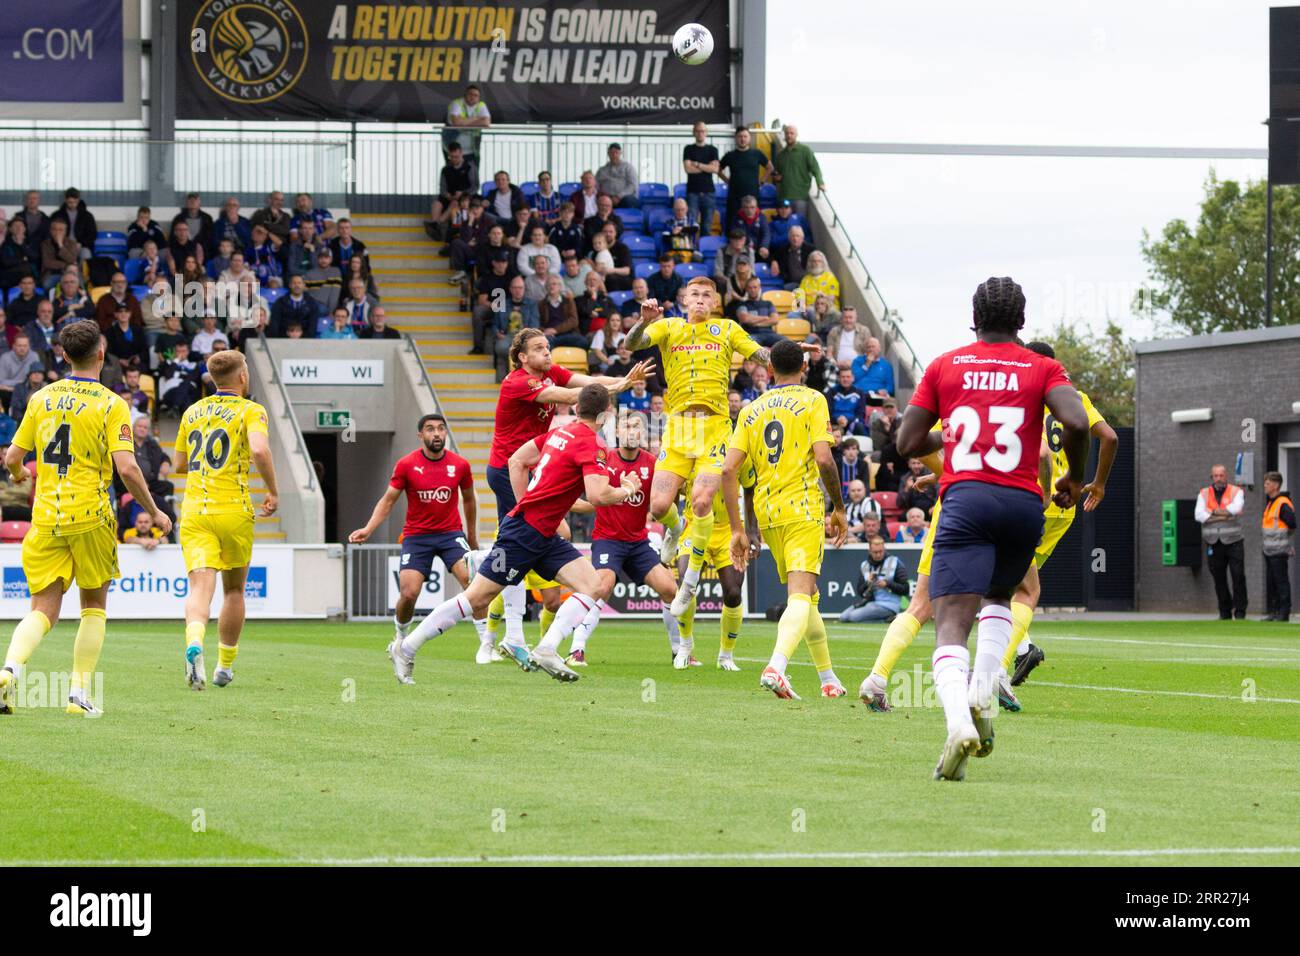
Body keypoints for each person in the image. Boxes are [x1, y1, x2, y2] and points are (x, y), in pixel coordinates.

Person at [893, 276, 1088, 780]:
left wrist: (951, 428)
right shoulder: (1043, 366)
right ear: (1021, 322)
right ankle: (984, 693)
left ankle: (960, 720)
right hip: (1025, 504)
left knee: (951, 619)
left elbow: (906, 441)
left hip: (967, 500)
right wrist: (1075, 477)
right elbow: (1080, 424)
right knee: (1003, 596)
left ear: (973, 318)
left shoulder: (945, 365)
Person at [390, 384, 640, 685]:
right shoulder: (593, 444)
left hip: (541, 534)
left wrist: (524, 503)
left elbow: (516, 461)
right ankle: (406, 648)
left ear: (576, 408)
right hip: (524, 534)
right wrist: (628, 488)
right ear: (606, 415)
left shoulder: (557, 434)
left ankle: (546, 647)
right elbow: (599, 496)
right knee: (476, 598)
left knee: (594, 585)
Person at [0, 320, 172, 717]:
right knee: (93, 604)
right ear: (101, 353)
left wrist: (19, 475)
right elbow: (127, 469)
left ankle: (9, 669)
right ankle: (78, 694)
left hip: (46, 516)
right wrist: (155, 511)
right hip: (91, 514)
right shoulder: (112, 404)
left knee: (42, 608)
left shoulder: (41, 397)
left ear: (63, 355)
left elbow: (12, 458)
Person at [482, 329, 652, 667]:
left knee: (542, 541)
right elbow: (568, 394)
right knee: (530, 540)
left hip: (533, 463)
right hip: (508, 468)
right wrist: (616, 388)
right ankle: (511, 634)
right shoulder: (518, 381)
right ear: (521, 357)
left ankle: (514, 635)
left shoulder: (548, 371)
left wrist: (619, 378)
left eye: (548, 347)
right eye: (539, 349)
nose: (547, 353)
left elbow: (586, 380)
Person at [623, 278, 767, 608]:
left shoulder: (728, 329)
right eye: (695, 295)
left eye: (706, 296)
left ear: (715, 302)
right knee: (658, 507)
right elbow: (633, 344)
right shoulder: (669, 327)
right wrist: (643, 322)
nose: (700, 300)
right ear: (685, 300)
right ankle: (674, 531)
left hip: (714, 428)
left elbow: (760, 355)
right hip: (678, 428)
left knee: (701, 502)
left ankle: (687, 584)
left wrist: (788, 353)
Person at [724, 338, 849, 699]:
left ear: (769, 370)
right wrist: (839, 507)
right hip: (802, 507)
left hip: (768, 511)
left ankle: (828, 679)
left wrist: (738, 529)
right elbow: (824, 459)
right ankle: (776, 666)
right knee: (799, 595)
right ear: (804, 368)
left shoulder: (750, 409)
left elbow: (729, 470)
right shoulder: (813, 399)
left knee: (808, 596)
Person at [1000, 340, 1119, 688]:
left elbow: (1037, 455)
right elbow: (1109, 438)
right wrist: (1097, 484)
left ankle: (1000, 668)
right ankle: (1021, 650)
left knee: (999, 585)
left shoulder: (1025, 392)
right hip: (1064, 504)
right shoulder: (1074, 397)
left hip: (1030, 495)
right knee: (1014, 584)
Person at [173, 349, 277, 691]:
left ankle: (193, 641)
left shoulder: (193, 411)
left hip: (195, 511)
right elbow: (260, 450)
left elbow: (179, 464)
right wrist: (272, 491)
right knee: (233, 589)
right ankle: (224, 667)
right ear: (243, 377)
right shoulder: (251, 410)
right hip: (233, 509)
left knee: (200, 588)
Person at [349, 414, 485, 656]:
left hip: (450, 534)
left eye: (441, 429)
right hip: (417, 536)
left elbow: (469, 501)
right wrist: (368, 528)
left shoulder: (460, 465)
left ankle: (486, 644)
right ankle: (401, 637)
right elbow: (388, 501)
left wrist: (472, 538)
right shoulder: (406, 465)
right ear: (420, 436)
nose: (436, 433)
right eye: (430, 429)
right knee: (409, 593)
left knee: (473, 583)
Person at [562, 414, 679, 666]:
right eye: (626, 425)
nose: (631, 430)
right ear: (617, 432)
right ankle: (576, 649)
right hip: (608, 540)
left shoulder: (653, 463)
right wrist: (598, 503)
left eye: (636, 426)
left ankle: (679, 652)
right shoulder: (605, 459)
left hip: (638, 542)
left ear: (643, 433)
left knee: (670, 589)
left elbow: (663, 502)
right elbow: (581, 496)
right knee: (601, 588)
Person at [1196, 462, 1248, 620]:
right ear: (1212, 477)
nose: (1218, 478)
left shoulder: (1236, 491)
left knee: (1238, 576)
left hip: (1234, 541)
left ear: (1226, 476)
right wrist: (1224, 514)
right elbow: (1199, 515)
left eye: (1221, 475)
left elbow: (1236, 509)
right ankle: (1224, 611)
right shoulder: (1204, 493)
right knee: (1218, 578)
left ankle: (1240, 611)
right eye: (1216, 475)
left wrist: (1210, 514)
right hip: (1213, 542)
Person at [841, 536, 909, 623]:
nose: (878, 555)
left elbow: (905, 589)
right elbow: (860, 591)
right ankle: (888, 619)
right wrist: (867, 583)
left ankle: (888, 618)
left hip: (889, 605)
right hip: (870, 603)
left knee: (853, 617)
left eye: (881, 551)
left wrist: (887, 584)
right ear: (869, 551)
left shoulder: (895, 562)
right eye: (875, 552)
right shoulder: (865, 565)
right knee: (844, 617)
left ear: (884, 549)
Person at [718, 127, 773, 232]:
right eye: (740, 136)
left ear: (749, 138)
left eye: (745, 136)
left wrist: (762, 181)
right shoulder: (730, 155)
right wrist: (726, 180)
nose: (742, 139)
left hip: (752, 196)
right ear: (736, 138)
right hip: (734, 197)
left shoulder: (757, 154)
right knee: (732, 225)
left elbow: (770, 167)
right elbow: (718, 170)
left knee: (753, 227)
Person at [1261, 470, 1295, 622]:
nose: (1265, 486)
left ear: (1275, 485)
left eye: (1267, 484)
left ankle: (1283, 612)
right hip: (1269, 550)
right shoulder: (1271, 503)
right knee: (1273, 582)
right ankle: (1274, 612)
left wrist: (1286, 542)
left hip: (1279, 550)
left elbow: (1292, 525)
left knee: (1281, 582)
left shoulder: (1282, 504)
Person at [771, 124, 826, 219]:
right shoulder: (781, 154)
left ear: (796, 135)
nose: (789, 135)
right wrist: (777, 177)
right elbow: (777, 173)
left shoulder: (805, 150)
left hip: (800, 196)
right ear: (784, 135)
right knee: (786, 227)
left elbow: (815, 168)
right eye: (787, 133)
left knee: (799, 225)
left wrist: (820, 183)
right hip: (784, 196)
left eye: (792, 133)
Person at [682, 120, 720, 233]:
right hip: (693, 192)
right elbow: (688, 169)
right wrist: (707, 167)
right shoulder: (688, 149)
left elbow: (715, 169)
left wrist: (698, 164)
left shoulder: (713, 150)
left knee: (706, 227)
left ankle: (703, 250)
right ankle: (692, 250)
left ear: (706, 133)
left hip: (709, 193)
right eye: (698, 131)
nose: (700, 133)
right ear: (693, 133)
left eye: (703, 131)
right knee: (691, 226)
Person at [596, 143, 640, 208]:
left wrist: (618, 196)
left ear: (620, 153)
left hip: (625, 198)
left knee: (628, 201)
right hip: (607, 198)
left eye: (616, 152)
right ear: (608, 153)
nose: (614, 155)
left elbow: (632, 186)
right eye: (612, 153)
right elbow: (595, 185)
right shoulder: (602, 170)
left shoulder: (628, 167)